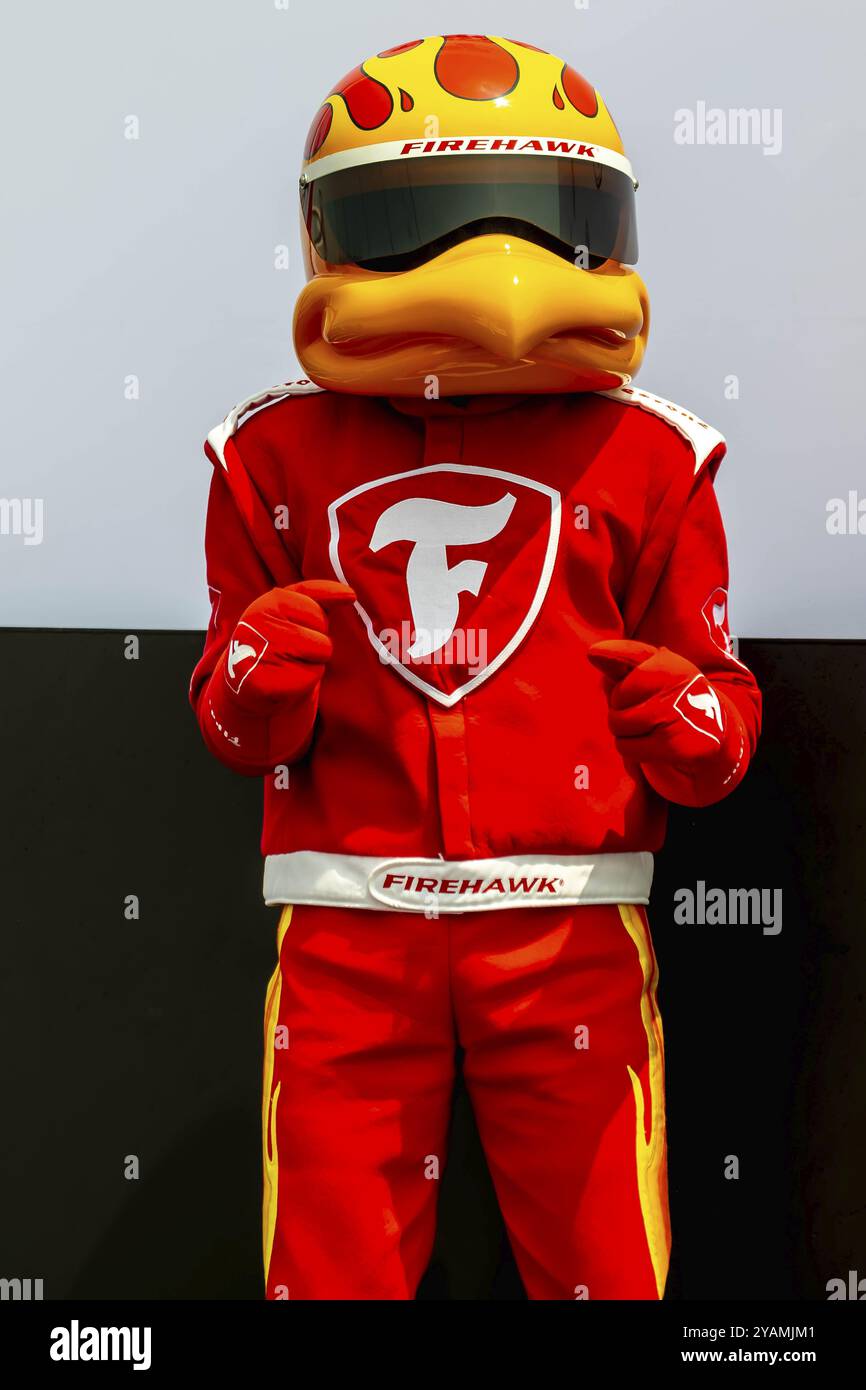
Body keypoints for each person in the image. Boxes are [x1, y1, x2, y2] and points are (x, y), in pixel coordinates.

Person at [190, 34, 761, 1300]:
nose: (491, 269)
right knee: (328, 1274)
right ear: (329, 233)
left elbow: (719, 729)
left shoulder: (655, 458)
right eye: (424, 215)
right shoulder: (265, 455)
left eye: (543, 215)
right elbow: (232, 724)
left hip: (568, 929)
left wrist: (679, 718)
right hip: (350, 930)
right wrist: (260, 675)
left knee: (607, 1270)